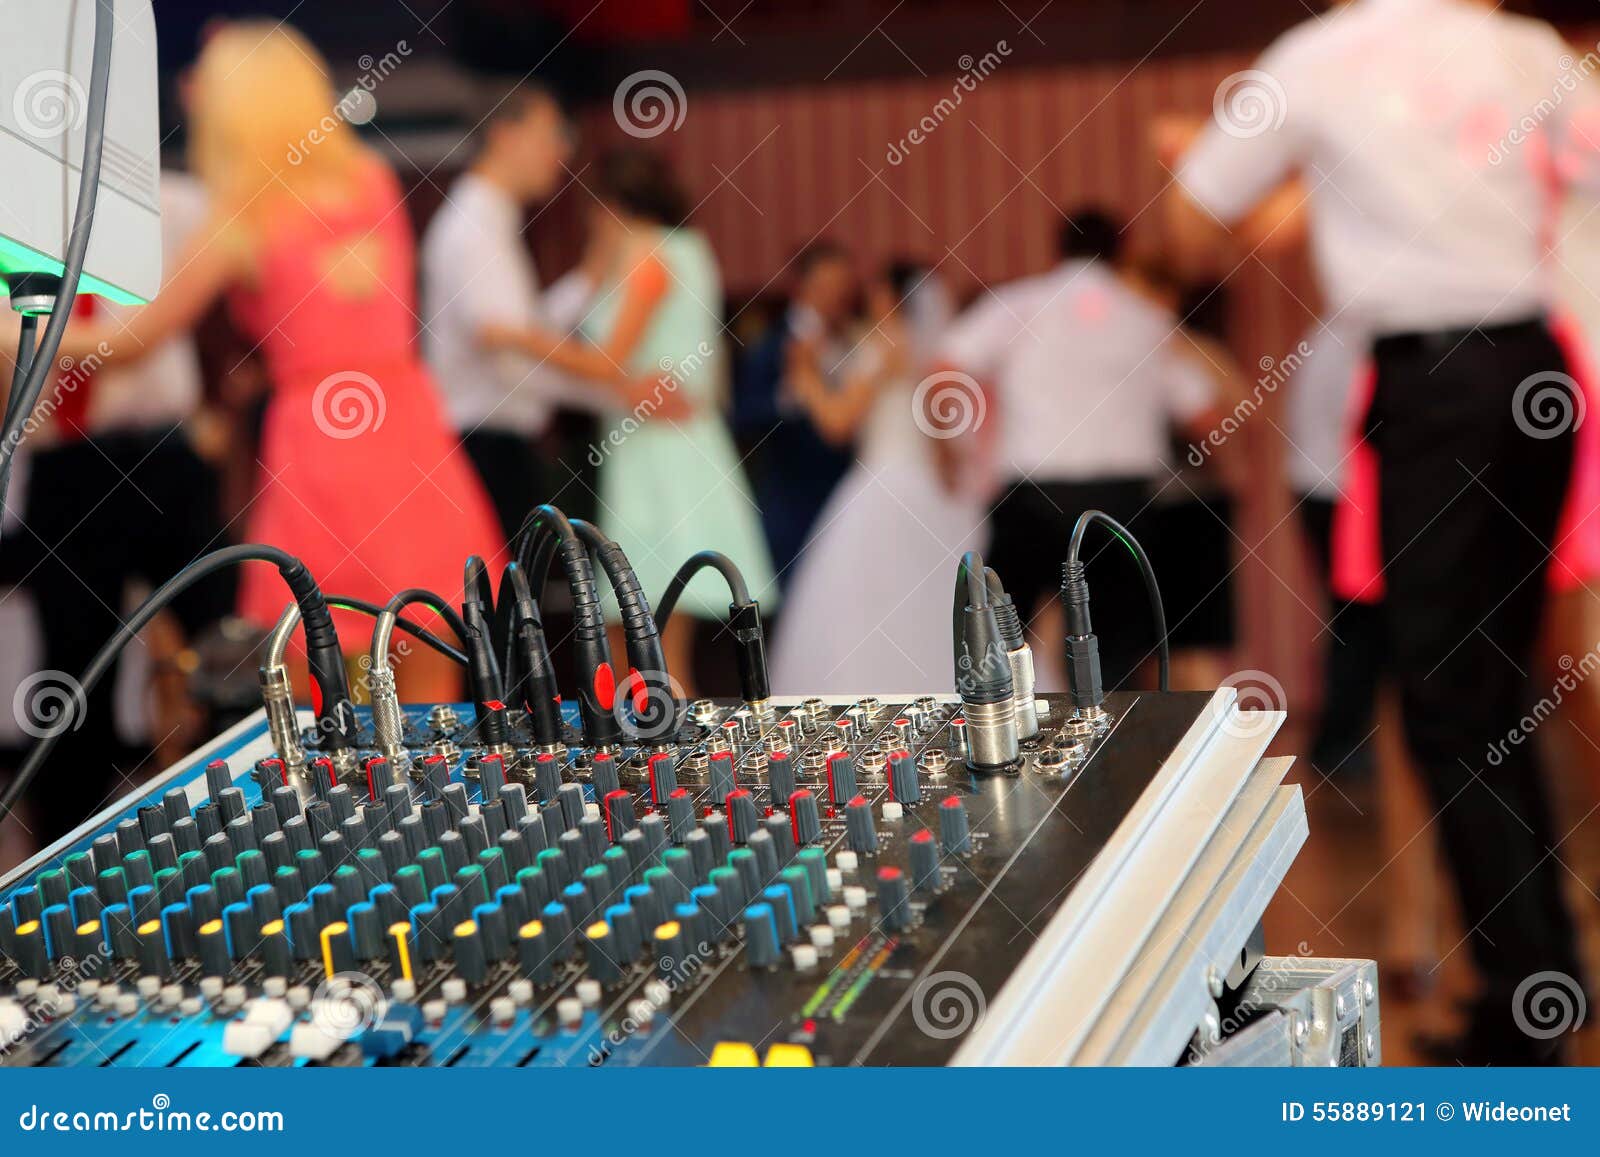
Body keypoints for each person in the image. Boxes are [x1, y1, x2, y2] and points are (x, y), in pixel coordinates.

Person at [1162, 0, 1600, 1063]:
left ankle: (1523, 1012)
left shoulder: (1319, 57)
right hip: (1537, 374)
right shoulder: (1525, 47)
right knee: (1491, 692)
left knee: (1451, 705)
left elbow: (1186, 230)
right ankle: (1542, 985)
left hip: (1437, 390)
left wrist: (1213, 163)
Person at [60, 22, 501, 702]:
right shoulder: (374, 181)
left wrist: (11, 332)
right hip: (404, 425)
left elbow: (128, 341)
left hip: (319, 441)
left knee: (309, 663)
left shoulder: (243, 216)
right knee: (431, 639)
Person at [481, 147, 776, 689]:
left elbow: (609, 358)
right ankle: (655, 744)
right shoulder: (687, 250)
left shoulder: (649, 253)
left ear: (610, 206)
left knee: (651, 627)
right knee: (637, 625)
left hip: (660, 453)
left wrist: (518, 338)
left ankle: (669, 755)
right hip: (659, 440)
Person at [0, 171, 230, 846]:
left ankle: (235, 826)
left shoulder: (177, 200)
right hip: (66, 464)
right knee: (70, 675)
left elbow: (159, 328)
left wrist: (26, 339)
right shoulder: (18, 219)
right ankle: (63, 858)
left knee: (214, 649)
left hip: (165, 455)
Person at [934, 207, 1221, 692]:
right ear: (1121, 251)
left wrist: (950, 455)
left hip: (1030, 496)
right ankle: (1109, 756)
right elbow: (1204, 415)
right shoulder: (1146, 318)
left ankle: (1005, 752)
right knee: (1113, 657)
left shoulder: (1018, 304)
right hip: (1121, 506)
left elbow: (944, 370)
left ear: (1058, 247)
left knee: (998, 644)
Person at [770, 263, 982, 692]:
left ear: (889, 297)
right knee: (924, 599)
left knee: (865, 597)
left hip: (882, 484)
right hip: (922, 489)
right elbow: (942, 440)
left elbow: (838, 423)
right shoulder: (925, 354)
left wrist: (804, 375)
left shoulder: (884, 348)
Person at [420, 83, 581, 542]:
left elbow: (518, 330)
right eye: (551, 135)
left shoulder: (491, 219)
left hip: (494, 444)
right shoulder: (474, 221)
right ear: (505, 135)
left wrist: (590, 280)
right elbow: (503, 337)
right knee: (499, 599)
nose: (561, 153)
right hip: (484, 447)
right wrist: (618, 387)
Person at [733, 241, 859, 588]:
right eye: (826, 286)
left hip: (845, 494)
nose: (834, 297)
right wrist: (790, 397)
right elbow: (743, 415)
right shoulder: (770, 344)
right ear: (802, 286)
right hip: (790, 497)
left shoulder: (855, 340)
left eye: (841, 288)